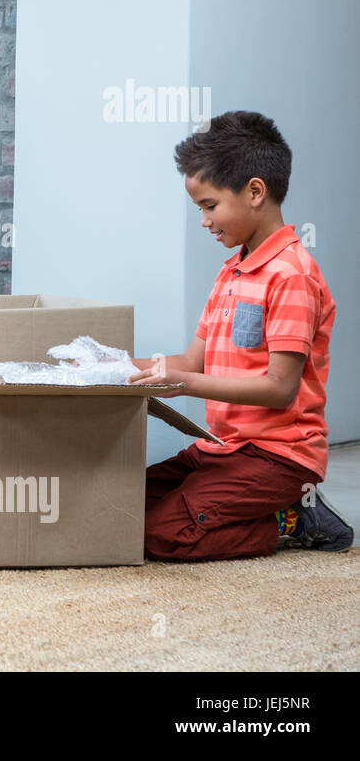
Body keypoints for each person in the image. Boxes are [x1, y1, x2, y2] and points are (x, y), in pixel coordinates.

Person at [130, 111, 351, 560]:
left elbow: (279, 389)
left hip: (279, 456)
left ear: (254, 192)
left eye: (210, 206)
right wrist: (113, 367)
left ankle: (293, 518)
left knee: (160, 534)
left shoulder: (291, 276)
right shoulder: (232, 271)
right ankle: (262, 508)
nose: (205, 222)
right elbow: (192, 362)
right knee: (122, 507)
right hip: (222, 448)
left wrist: (185, 386)